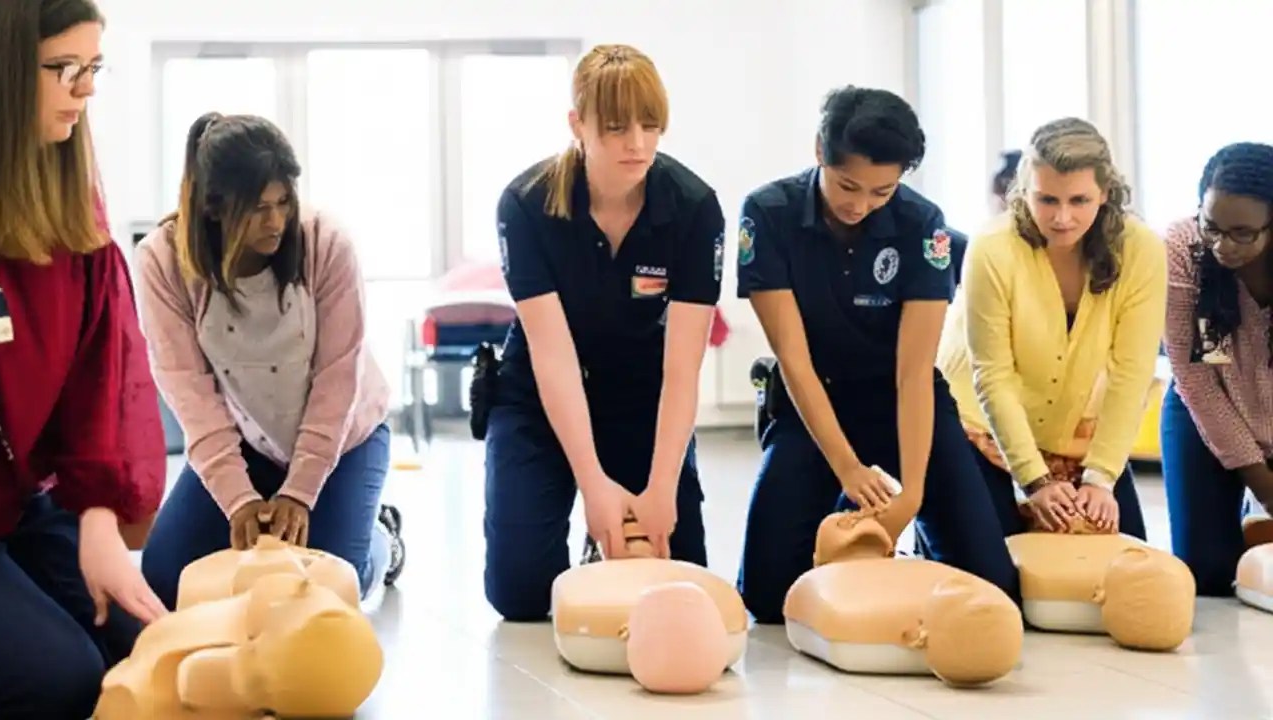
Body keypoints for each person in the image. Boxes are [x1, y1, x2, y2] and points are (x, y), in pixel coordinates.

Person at [734, 85, 1018, 623]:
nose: (860, 205)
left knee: (992, 586)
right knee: (767, 598)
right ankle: (850, 515)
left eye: (882, 191)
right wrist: (848, 469)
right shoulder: (766, 214)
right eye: (847, 186)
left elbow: (913, 373)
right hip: (815, 401)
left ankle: (906, 550)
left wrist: (910, 494)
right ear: (820, 150)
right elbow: (794, 360)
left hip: (903, 400)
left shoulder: (923, 225)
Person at [482, 44, 724, 621]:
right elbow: (553, 356)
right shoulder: (526, 205)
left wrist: (663, 483)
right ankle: (589, 535)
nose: (636, 143)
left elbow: (682, 366)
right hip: (541, 392)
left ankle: (619, 534)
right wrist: (593, 484)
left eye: (650, 124)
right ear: (577, 125)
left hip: (644, 391)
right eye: (615, 127)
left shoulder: (694, 209)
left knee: (679, 569)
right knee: (520, 595)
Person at [134, 112, 406, 611]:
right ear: (214, 208)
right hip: (247, 439)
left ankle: (381, 540)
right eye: (259, 209)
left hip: (346, 439)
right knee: (165, 574)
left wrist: (299, 493)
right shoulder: (163, 261)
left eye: (284, 202)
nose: (277, 222)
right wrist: (239, 499)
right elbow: (189, 392)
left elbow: (337, 379)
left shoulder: (326, 243)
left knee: (331, 587)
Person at [0, 1, 170, 717]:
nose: (86, 88)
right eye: (65, 69)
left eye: (93, 67)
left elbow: (108, 370)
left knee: (144, 644)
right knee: (58, 680)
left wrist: (99, 517)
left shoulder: (73, 206)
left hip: (21, 505)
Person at [937, 117, 1164, 539]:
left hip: (1069, 423)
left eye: (1079, 200)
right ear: (1024, 192)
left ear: (1106, 194)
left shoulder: (1142, 249)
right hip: (973, 417)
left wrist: (1100, 477)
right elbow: (993, 375)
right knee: (996, 572)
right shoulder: (992, 248)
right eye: (1046, 200)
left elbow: (1131, 372)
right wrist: (1035, 481)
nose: (1062, 218)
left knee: (1124, 563)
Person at [1161, 142, 1273, 596]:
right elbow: (1198, 378)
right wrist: (1264, 484)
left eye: (1243, 232)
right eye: (1213, 227)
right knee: (1206, 574)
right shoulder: (1186, 247)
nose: (1223, 245)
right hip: (1205, 408)